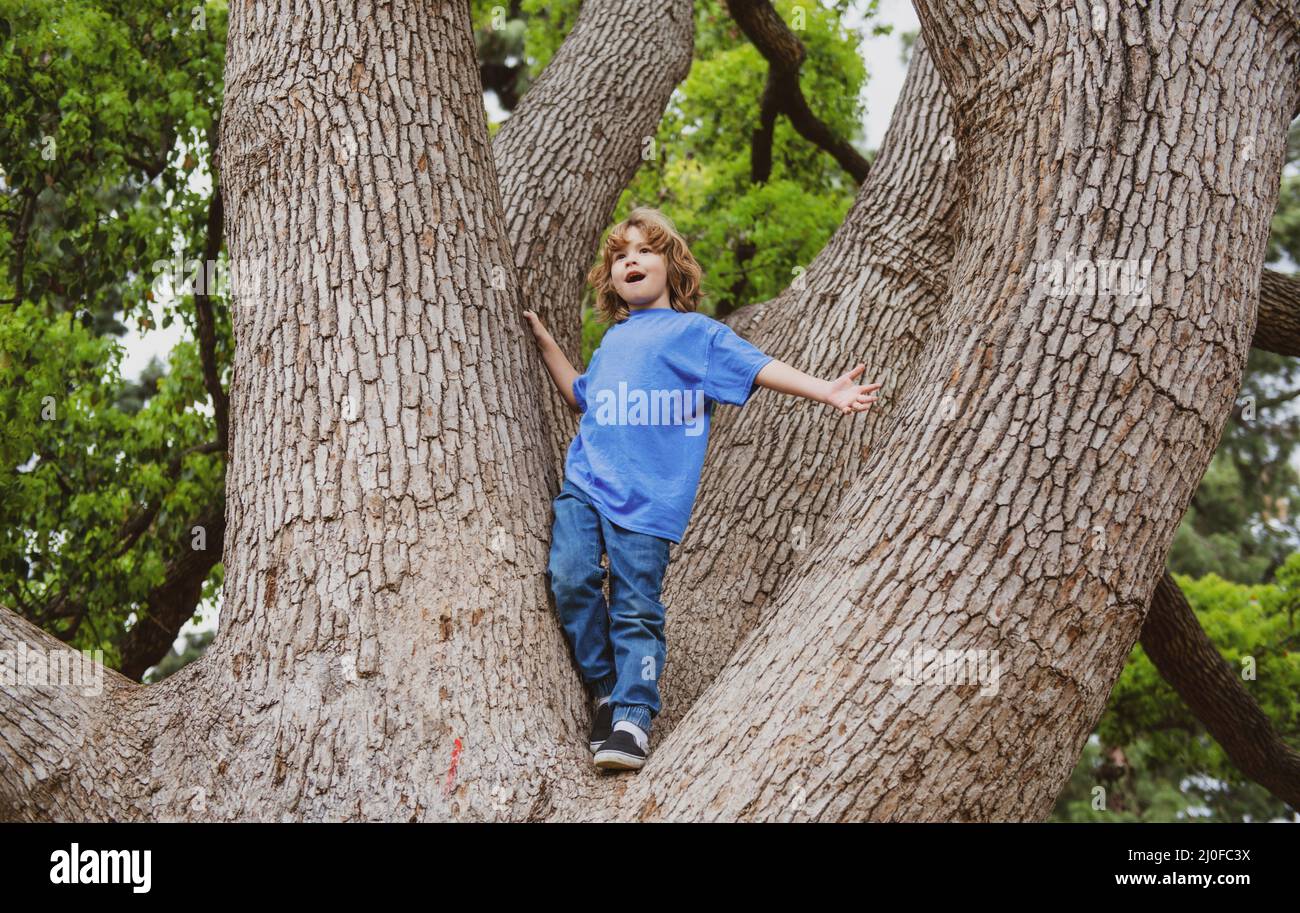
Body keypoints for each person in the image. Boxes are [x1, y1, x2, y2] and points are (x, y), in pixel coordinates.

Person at [522, 206, 881, 770]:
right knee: (570, 578)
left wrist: (825, 390)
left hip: (649, 501)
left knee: (636, 609)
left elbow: (760, 367)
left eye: (644, 251)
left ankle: (633, 719)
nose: (630, 261)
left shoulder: (697, 335)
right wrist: (545, 343)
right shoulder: (614, 340)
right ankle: (606, 687)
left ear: (672, 266)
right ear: (611, 277)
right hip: (586, 482)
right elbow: (580, 397)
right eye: (620, 256)